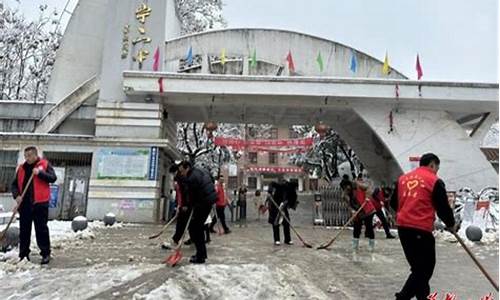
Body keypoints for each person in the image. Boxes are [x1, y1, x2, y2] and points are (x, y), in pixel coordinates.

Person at [391, 153, 456, 300]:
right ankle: (402, 297)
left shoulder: (402, 179)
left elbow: (393, 203)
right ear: (432, 164)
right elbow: (443, 207)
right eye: (436, 168)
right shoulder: (434, 181)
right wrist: (451, 224)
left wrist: (406, 211)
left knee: (418, 268)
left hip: (403, 228)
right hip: (420, 228)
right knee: (425, 269)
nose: (436, 171)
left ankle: (422, 297)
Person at [11, 146, 57, 264]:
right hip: (25, 204)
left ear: (36, 155)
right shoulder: (21, 168)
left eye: (29, 155)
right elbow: (14, 185)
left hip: (40, 203)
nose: (27, 158)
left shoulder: (45, 165)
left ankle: (45, 253)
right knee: (24, 231)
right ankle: (24, 254)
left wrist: (40, 173)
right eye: (25, 156)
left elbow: (52, 178)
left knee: (41, 229)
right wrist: (17, 196)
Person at [177, 161, 217, 264]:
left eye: (182, 171)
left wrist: (188, 207)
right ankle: (201, 254)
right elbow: (211, 180)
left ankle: (200, 256)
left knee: (196, 228)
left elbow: (191, 197)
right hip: (208, 200)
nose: (181, 174)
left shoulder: (191, 179)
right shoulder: (199, 171)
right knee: (196, 227)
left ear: (187, 168)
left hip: (203, 202)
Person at [267, 181, 297, 246]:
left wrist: (288, 205)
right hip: (275, 206)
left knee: (286, 222)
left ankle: (287, 239)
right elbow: (271, 183)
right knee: (276, 223)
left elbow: (291, 201)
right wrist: (270, 192)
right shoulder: (281, 186)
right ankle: (277, 240)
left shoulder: (292, 193)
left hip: (284, 207)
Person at [351, 174, 376, 252]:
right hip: (358, 212)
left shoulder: (360, 186)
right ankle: (355, 245)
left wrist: (367, 196)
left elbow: (369, 188)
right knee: (356, 227)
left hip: (368, 210)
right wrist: (352, 211)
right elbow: (349, 203)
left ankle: (371, 245)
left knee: (369, 227)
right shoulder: (347, 194)